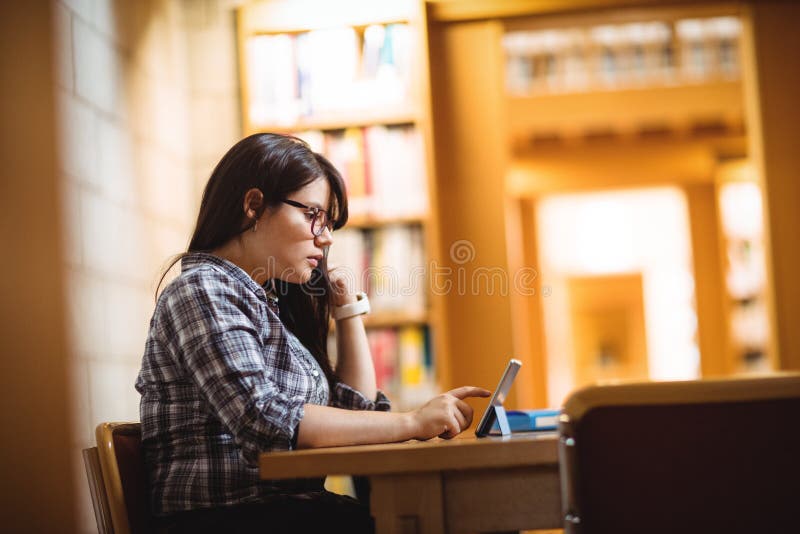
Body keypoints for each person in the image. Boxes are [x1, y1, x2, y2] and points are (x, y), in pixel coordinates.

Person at [135, 133, 490, 533]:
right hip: (225, 519)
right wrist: (413, 423)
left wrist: (347, 311)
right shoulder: (202, 290)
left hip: (282, 514)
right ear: (253, 206)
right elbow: (265, 421)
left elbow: (356, 414)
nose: (327, 236)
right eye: (313, 215)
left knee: (456, 516)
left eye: (329, 222)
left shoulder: (267, 301)